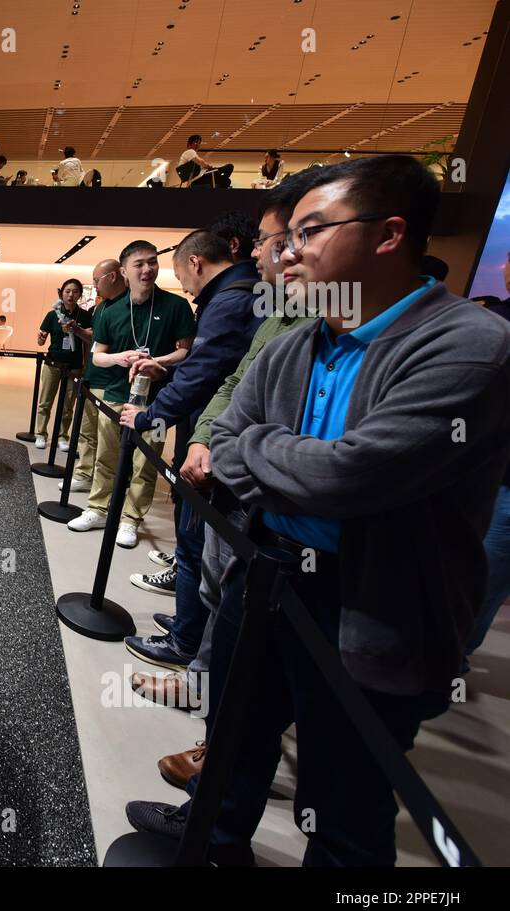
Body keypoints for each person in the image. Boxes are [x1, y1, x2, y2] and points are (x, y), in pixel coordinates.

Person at [126, 155, 510, 866]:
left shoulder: (470, 345)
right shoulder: (296, 341)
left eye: (311, 231)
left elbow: (352, 476)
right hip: (266, 571)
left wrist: (262, 454)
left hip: (379, 601)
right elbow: (232, 445)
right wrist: (272, 457)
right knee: (237, 730)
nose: (291, 251)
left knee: (346, 800)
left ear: (390, 234)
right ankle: (212, 837)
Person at [129, 182, 316, 764]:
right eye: (268, 243)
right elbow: (237, 384)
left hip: (274, 509)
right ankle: (197, 671)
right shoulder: (272, 307)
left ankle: (198, 677)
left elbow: (230, 381)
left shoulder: (249, 301)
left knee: (221, 579)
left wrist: (171, 421)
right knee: (215, 582)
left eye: (276, 242)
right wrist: (208, 436)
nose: (267, 255)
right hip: (230, 469)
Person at [117, 227, 262, 671]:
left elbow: (206, 374)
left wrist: (147, 417)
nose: (183, 285)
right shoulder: (248, 295)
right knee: (196, 539)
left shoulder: (229, 300)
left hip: (215, 443)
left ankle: (185, 640)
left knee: (196, 538)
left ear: (195, 263)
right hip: (210, 432)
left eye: (181, 274)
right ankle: (188, 621)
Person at [68, 242, 195, 548]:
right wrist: (121, 358)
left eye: (152, 262)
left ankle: (130, 519)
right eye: (139, 264)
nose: (147, 269)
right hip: (114, 394)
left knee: (145, 463)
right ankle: (98, 508)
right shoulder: (110, 310)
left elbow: (188, 351)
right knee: (106, 457)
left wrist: (158, 363)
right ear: (124, 271)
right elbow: (98, 355)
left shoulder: (175, 306)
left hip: (157, 401)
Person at [70, 260, 128, 493]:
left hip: (112, 385)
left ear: (113, 277)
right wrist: (77, 331)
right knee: (86, 432)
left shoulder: (129, 306)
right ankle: (84, 473)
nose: (94, 285)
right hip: (91, 378)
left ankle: (102, 490)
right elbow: (95, 340)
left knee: (108, 444)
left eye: (96, 280)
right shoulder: (101, 308)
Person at [34, 279, 92, 449]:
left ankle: (62, 436)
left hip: (74, 366)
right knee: (45, 402)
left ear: (80, 294)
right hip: (52, 364)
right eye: (67, 291)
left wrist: (86, 365)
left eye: (74, 291)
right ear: (62, 294)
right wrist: (40, 337)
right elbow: (40, 341)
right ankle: (40, 434)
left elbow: (89, 341)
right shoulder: (53, 315)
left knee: (68, 405)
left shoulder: (85, 316)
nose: (70, 295)